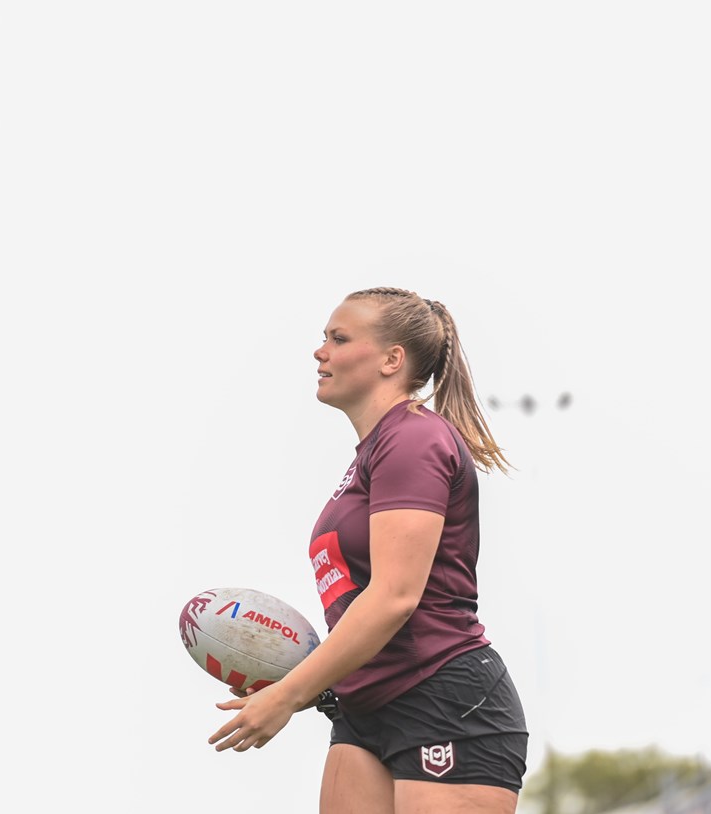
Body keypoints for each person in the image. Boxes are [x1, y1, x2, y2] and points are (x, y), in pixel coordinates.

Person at [208, 287, 528, 813]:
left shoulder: (414, 439)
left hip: (446, 698)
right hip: (366, 706)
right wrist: (312, 680)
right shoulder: (372, 454)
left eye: (338, 338)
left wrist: (285, 696)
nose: (320, 351)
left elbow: (395, 597)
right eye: (323, 339)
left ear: (391, 360)